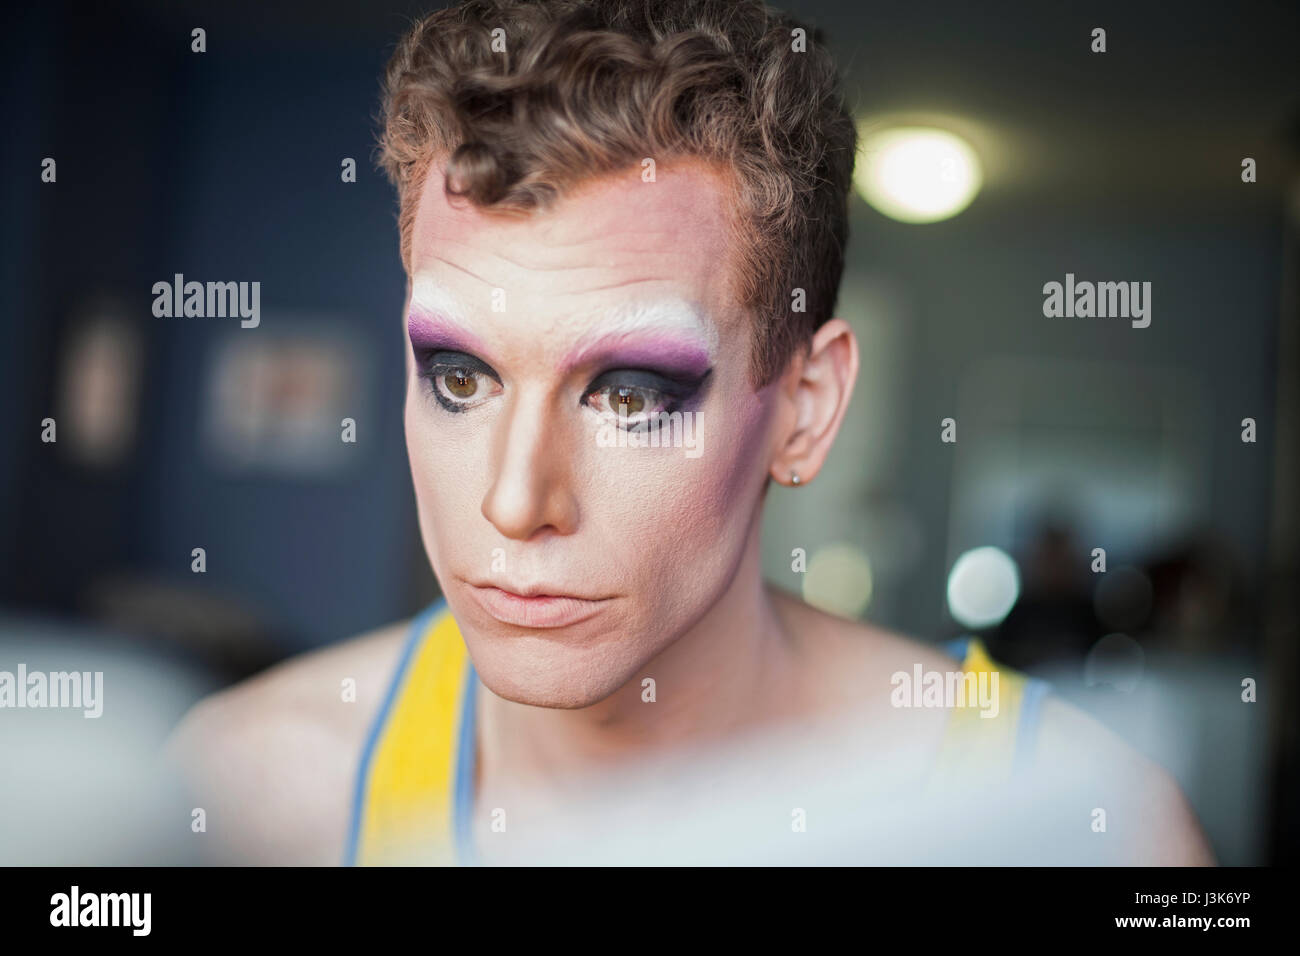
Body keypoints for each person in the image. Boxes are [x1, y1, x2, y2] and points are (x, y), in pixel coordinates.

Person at [166, 0, 1213, 865]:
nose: (514, 499)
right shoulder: (240, 796)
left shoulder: (1094, 831)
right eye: (460, 374)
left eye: (628, 391)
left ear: (803, 408)